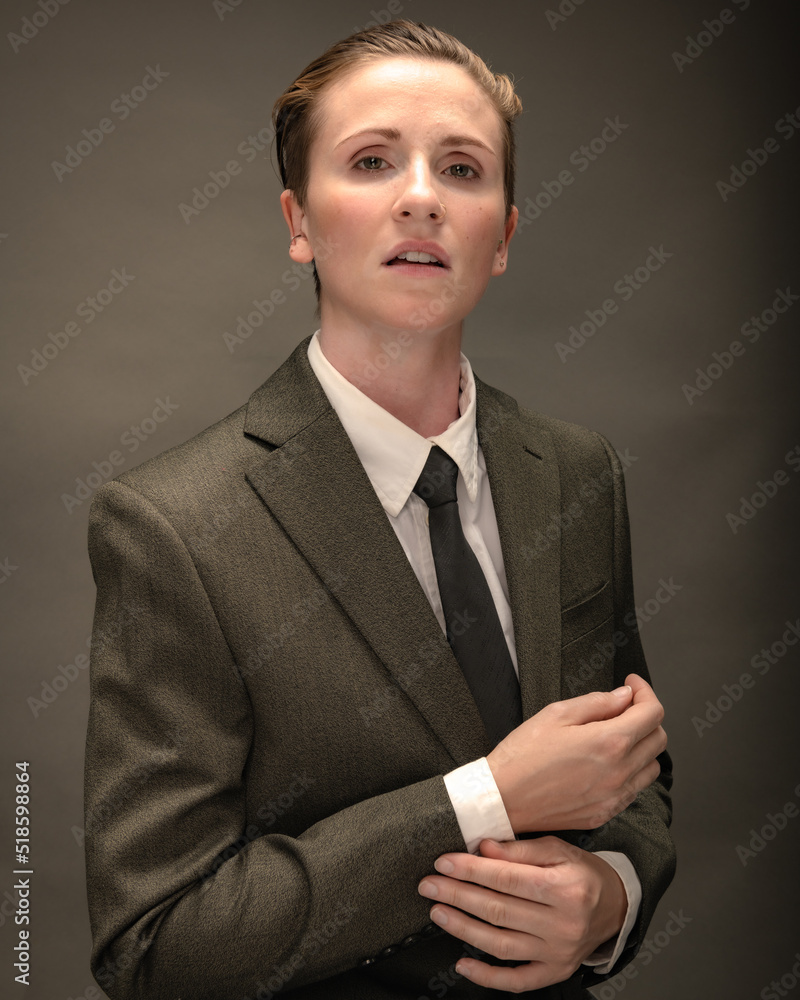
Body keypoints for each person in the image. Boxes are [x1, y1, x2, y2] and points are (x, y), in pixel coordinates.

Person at [84, 19, 674, 1000]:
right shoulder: (170, 527)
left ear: (503, 236)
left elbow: (630, 776)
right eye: (369, 162)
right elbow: (157, 943)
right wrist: (483, 800)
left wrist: (611, 894)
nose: (419, 198)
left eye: (461, 168)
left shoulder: (575, 474)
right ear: (298, 222)